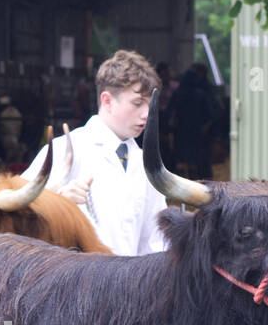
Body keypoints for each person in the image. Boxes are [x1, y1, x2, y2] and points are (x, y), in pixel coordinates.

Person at [28, 50, 169, 256]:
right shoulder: (64, 149)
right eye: (138, 103)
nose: (146, 114)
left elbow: (156, 240)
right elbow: (20, 217)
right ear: (107, 100)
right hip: (75, 282)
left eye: (150, 105)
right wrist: (57, 203)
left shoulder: (147, 163)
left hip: (130, 283)